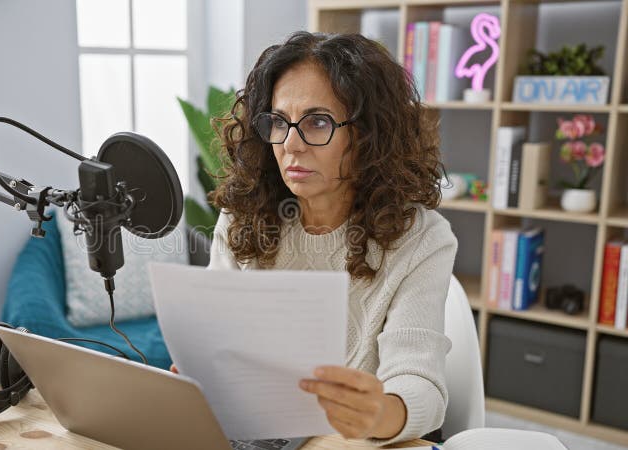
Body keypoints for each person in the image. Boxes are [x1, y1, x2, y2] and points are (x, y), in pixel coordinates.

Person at [179, 31, 457, 445]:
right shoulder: (242, 217)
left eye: (317, 122)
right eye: (278, 122)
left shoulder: (422, 239)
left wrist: (380, 411)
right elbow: (218, 347)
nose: (290, 145)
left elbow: (421, 385)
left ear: (368, 134)